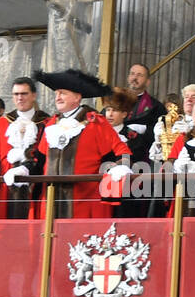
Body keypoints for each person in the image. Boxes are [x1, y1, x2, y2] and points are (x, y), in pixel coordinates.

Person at [34, 68, 132, 217]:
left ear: (77, 97)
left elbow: (122, 152)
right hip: (50, 205)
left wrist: (119, 168)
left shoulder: (96, 122)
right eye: (56, 93)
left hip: (85, 205)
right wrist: (24, 169)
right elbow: (39, 160)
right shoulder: (51, 124)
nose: (58, 97)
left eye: (63, 93)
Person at [0, 76, 51, 219]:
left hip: (34, 186)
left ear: (34, 96)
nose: (20, 98)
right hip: (4, 186)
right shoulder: (3, 123)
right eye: (16, 94)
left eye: (24, 94)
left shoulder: (46, 123)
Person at [125, 62, 165, 162]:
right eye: (132, 74)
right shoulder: (115, 101)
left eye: (139, 75)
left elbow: (162, 133)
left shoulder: (156, 106)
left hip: (142, 157)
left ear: (147, 82)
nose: (135, 77)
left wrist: (144, 129)